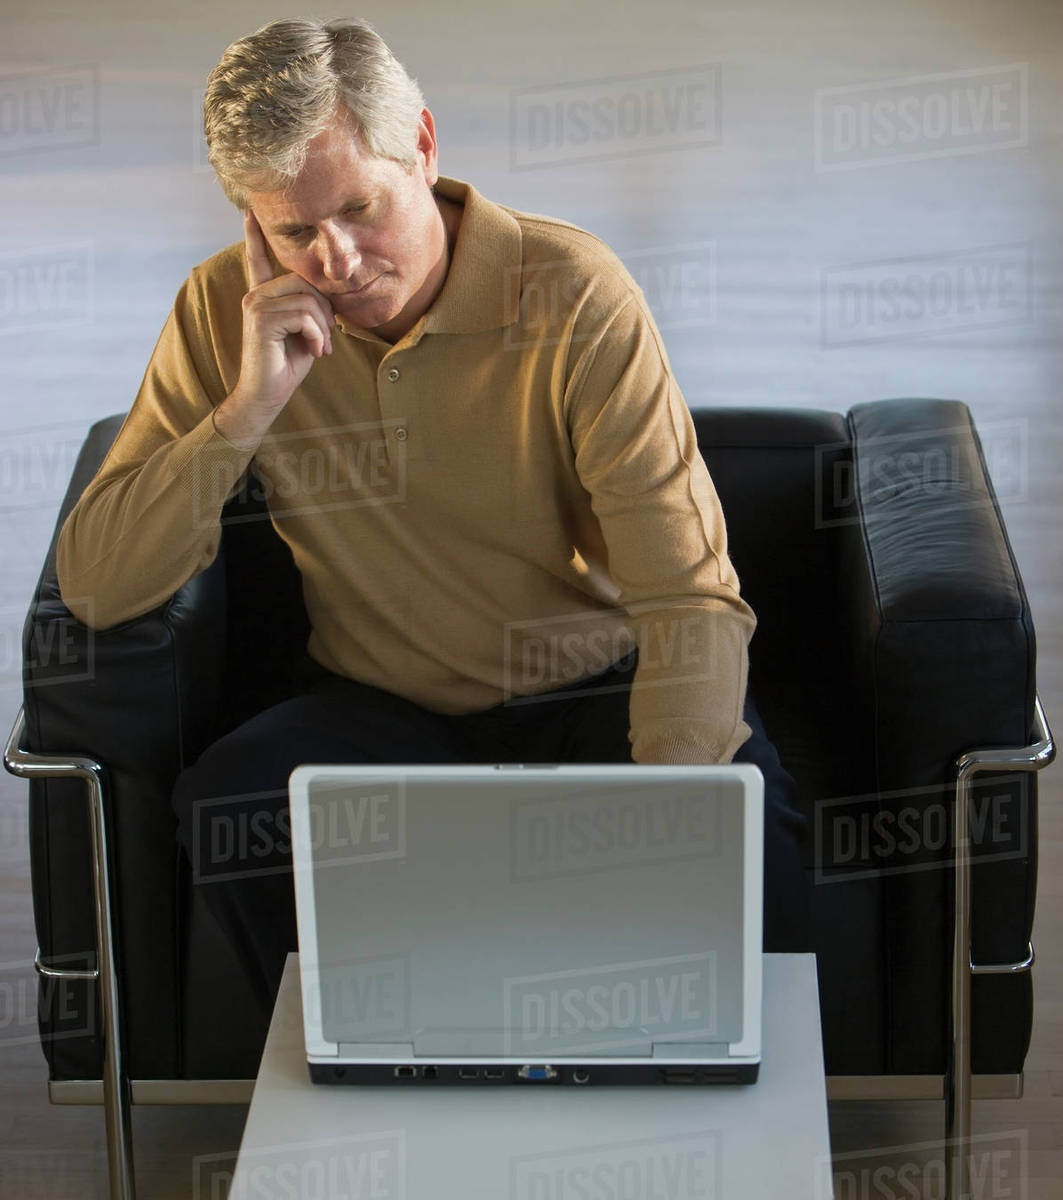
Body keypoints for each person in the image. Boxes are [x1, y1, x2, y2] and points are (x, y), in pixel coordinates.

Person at [55, 17, 809, 1015]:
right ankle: (387, 1077)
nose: (337, 260)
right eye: (293, 230)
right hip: (380, 707)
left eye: (360, 208)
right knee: (233, 805)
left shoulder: (575, 293)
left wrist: (659, 816)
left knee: (755, 851)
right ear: (250, 223)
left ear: (421, 143)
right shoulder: (223, 311)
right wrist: (245, 413)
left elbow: (688, 592)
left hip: (589, 689)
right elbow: (102, 587)